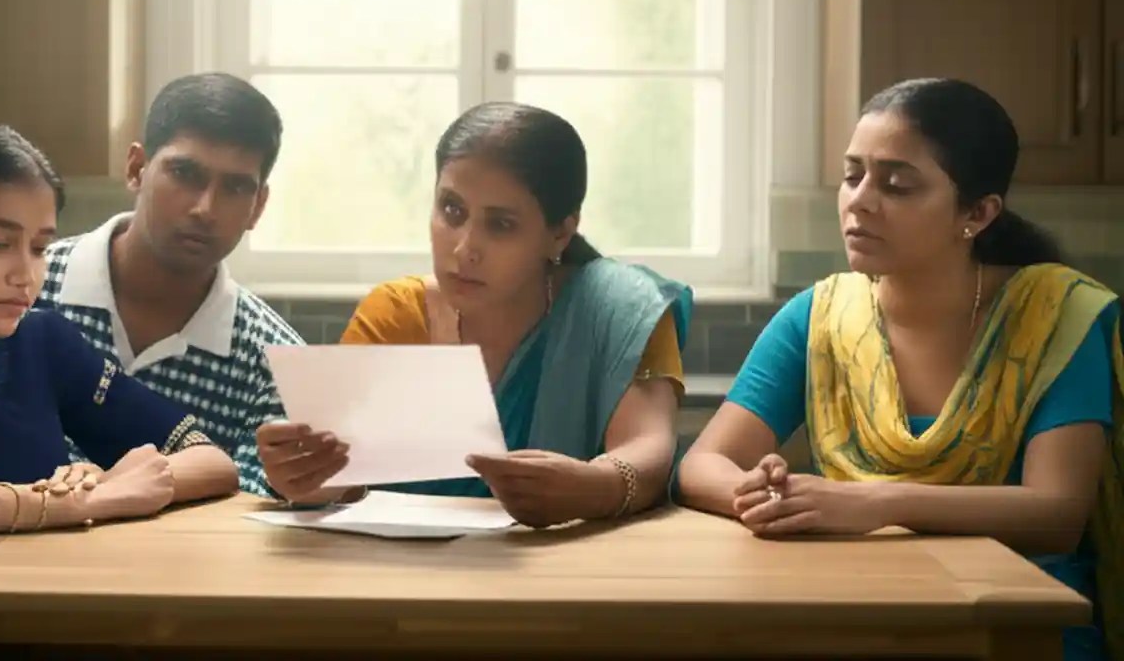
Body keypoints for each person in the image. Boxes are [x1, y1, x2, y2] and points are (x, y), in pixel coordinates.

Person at [675, 78, 1123, 661]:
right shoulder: (820, 317)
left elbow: (1057, 513)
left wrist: (876, 502)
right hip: (865, 606)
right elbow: (701, 465)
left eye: (897, 184)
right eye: (851, 174)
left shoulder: (1055, 316)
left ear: (978, 213)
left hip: (1020, 624)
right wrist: (767, 494)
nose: (859, 200)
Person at [0, 126, 240, 659]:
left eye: (39, 248)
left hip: (43, 628)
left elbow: (211, 461)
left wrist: (116, 479)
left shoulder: (41, 342)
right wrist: (88, 500)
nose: (24, 275)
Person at [252, 102, 692, 529]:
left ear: (560, 231)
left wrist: (594, 488)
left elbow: (649, 448)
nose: (464, 249)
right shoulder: (397, 315)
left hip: (571, 579)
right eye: (452, 210)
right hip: (401, 583)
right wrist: (302, 478)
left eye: (500, 225)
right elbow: (340, 481)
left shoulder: (621, 310)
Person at [35, 73, 303, 494]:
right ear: (137, 169)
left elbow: (256, 518)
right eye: (185, 173)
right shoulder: (25, 293)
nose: (204, 208)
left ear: (259, 206)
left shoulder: (278, 363)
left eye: (235, 187)